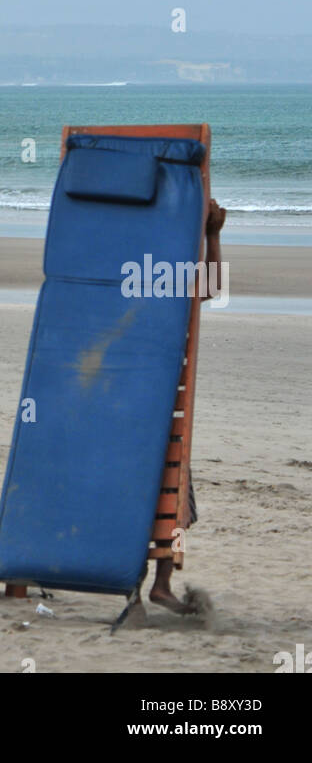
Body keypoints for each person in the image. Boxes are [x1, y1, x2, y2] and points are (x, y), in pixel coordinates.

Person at [149, 197, 226, 614]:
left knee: (170, 499)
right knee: (173, 498)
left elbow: (210, 288)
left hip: (144, 405)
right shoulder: (160, 281)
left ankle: (153, 585)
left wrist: (209, 233)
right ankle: (157, 585)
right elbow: (212, 288)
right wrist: (211, 234)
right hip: (153, 408)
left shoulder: (144, 277)